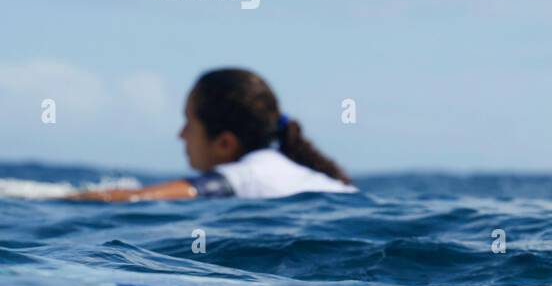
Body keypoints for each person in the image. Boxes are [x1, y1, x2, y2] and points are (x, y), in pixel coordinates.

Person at [68, 68, 356, 201]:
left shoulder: (247, 175)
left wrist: (71, 198)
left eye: (189, 123)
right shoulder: (301, 177)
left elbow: (143, 197)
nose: (180, 135)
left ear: (224, 143)